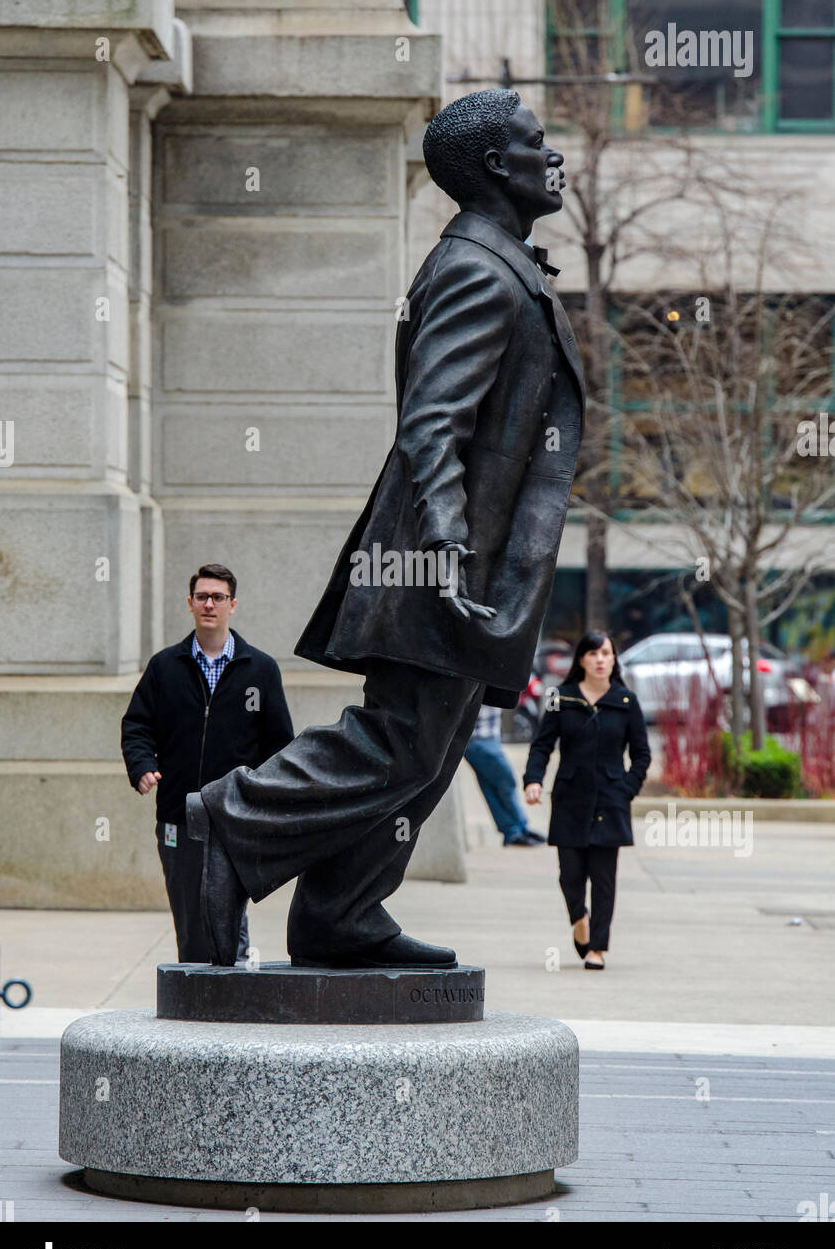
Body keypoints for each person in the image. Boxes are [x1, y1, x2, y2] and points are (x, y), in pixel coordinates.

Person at [187, 88, 586, 970]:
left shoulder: (499, 265)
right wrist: (444, 547)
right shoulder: (479, 271)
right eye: (535, 143)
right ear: (493, 167)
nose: (550, 157)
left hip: (461, 557)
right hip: (440, 555)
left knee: (431, 750)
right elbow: (431, 422)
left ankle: (342, 914)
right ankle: (226, 818)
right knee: (403, 738)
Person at [121, 563, 294, 962]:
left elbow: (279, 745)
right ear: (190, 603)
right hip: (178, 813)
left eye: (218, 597)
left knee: (228, 913)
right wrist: (142, 765)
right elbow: (137, 724)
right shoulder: (166, 667)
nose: (209, 604)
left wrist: (264, 801)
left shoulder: (260, 669)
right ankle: (194, 992)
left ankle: (230, 989)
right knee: (187, 911)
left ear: (232, 605)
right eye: (202, 597)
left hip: (234, 815)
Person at [523, 631, 650, 970]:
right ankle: (579, 917)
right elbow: (542, 745)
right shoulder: (560, 698)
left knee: (604, 879)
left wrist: (626, 789)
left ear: (613, 659)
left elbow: (641, 755)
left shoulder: (625, 702)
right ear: (581, 659)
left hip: (611, 800)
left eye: (605, 653)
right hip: (570, 798)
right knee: (570, 874)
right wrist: (533, 779)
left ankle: (597, 948)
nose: (599, 660)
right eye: (592, 653)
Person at [464, 707, 545, 846]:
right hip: (480, 738)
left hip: (483, 738)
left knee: (491, 787)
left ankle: (516, 830)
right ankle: (516, 830)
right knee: (506, 783)